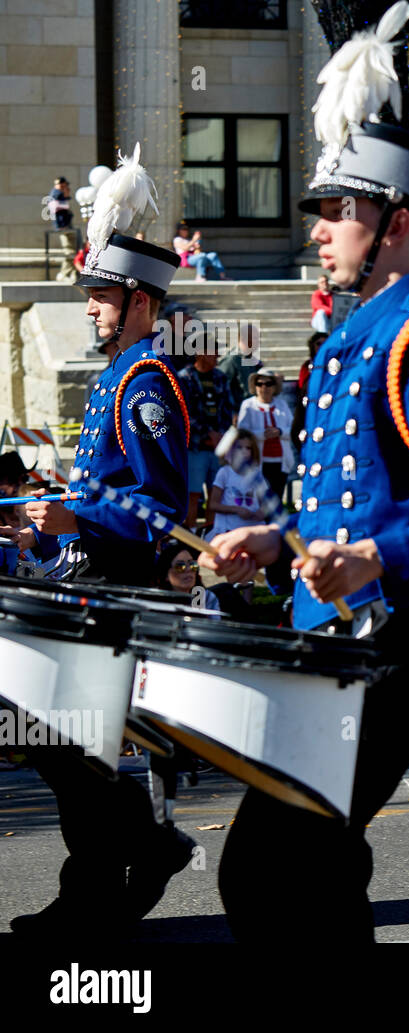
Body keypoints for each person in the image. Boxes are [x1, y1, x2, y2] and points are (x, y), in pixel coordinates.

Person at [199, 22, 409, 943]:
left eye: (335, 210)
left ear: (394, 224)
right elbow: (340, 507)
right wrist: (278, 542)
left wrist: (378, 556)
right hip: (334, 641)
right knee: (312, 871)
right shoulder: (351, 336)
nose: (315, 229)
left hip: (389, 642)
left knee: (274, 868)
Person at [9, 150, 196, 939]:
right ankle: (113, 871)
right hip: (89, 588)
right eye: (88, 294)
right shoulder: (121, 373)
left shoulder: (147, 383)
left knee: (58, 739)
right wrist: (46, 516)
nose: (88, 306)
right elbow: (99, 498)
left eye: (100, 294)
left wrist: (76, 521)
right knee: (60, 743)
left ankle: (130, 860)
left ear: (139, 301)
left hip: (122, 600)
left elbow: (160, 510)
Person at [176, 341, 234, 528]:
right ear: (200, 353)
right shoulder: (184, 378)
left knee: (216, 492)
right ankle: (190, 534)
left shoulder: (220, 377)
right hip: (195, 446)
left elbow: (228, 409)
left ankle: (210, 532)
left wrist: (221, 435)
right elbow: (183, 412)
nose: (217, 357)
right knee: (193, 493)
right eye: (213, 352)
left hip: (217, 446)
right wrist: (207, 434)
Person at [236, 369, 294, 503]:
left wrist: (279, 432)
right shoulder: (248, 405)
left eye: (268, 384)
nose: (264, 387)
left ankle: (274, 524)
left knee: (277, 498)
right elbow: (242, 434)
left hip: (280, 462)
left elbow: (292, 430)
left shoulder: (282, 405)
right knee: (260, 501)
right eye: (259, 383)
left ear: (274, 386)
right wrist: (262, 435)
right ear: (254, 386)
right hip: (258, 462)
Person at [49, 176, 77, 283]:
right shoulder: (56, 193)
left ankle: (71, 273)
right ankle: (63, 274)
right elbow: (54, 206)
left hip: (66, 225)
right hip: (63, 226)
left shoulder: (58, 193)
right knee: (70, 251)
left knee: (72, 251)